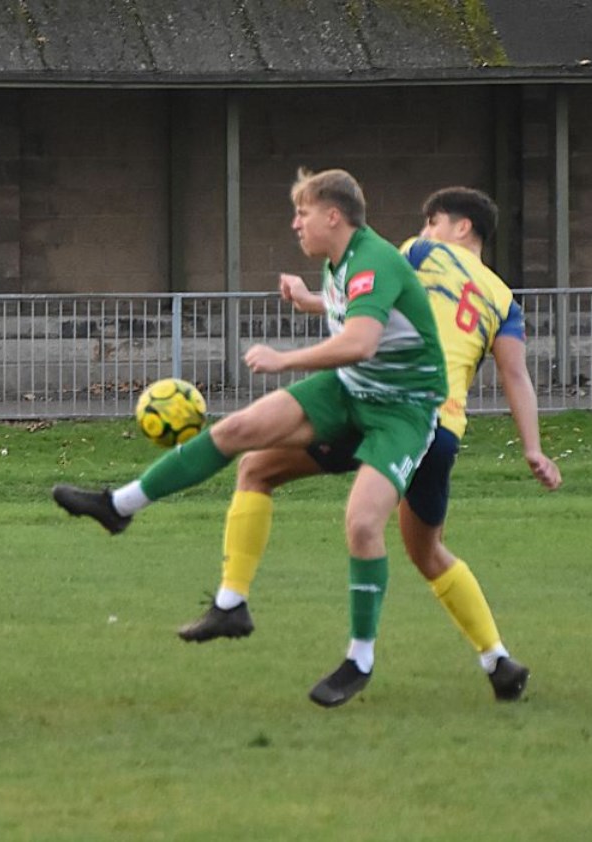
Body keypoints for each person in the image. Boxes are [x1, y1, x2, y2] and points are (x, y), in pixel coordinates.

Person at [55, 167, 448, 708]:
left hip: (402, 412)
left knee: (362, 525)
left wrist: (284, 359)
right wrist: (311, 300)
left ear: (333, 216)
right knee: (239, 433)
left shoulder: (375, 260)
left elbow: (360, 341)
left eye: (302, 213)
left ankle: (359, 659)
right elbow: (357, 308)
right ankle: (120, 507)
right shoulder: (342, 263)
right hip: (349, 391)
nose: (295, 224)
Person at [176, 187, 562, 702]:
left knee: (258, 470)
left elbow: (369, 299)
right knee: (427, 552)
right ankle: (498, 660)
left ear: (461, 227)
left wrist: (310, 301)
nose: (423, 231)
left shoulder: (422, 254)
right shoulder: (502, 298)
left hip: (390, 408)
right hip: (443, 429)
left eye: (432, 221)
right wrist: (533, 448)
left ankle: (237, 604)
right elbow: (515, 375)